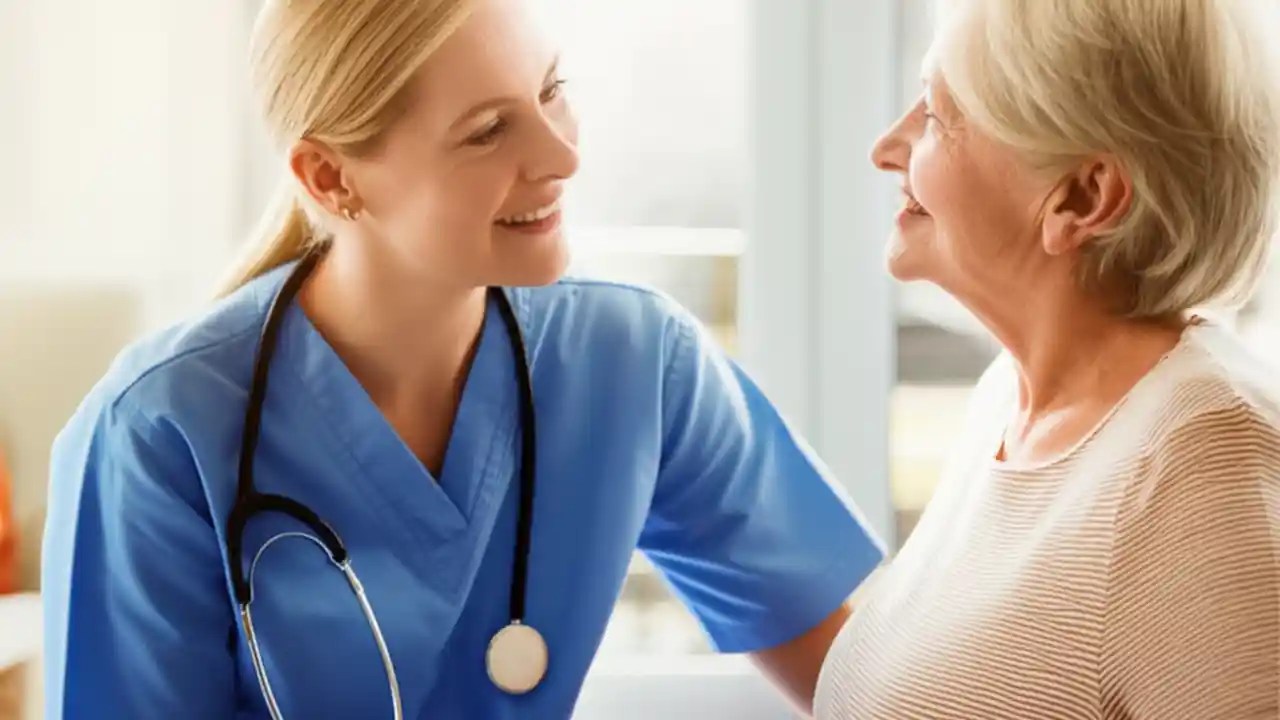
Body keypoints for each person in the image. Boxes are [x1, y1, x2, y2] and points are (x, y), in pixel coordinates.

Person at [39, 0, 884, 718]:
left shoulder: (633, 365)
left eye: (553, 91)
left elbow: (862, 678)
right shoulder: (155, 434)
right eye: (488, 132)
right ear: (331, 178)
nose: (563, 157)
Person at [816, 0, 1280, 718]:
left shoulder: (1204, 460)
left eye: (937, 116)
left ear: (1082, 197)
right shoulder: (1007, 400)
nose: (887, 146)